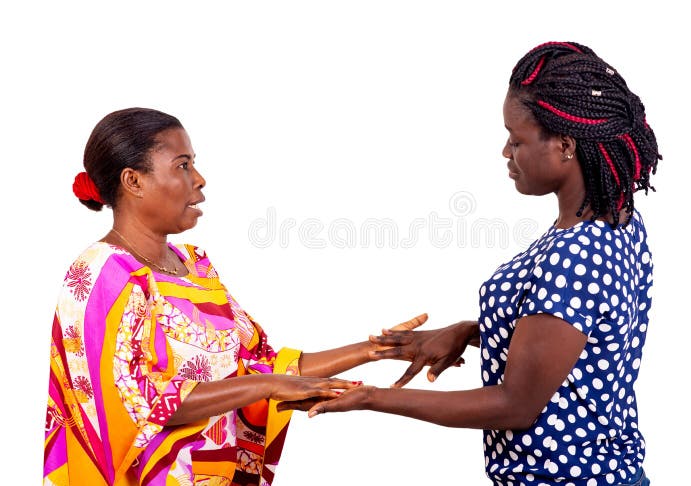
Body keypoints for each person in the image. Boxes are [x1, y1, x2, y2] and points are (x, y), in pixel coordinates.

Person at [301, 42, 661, 486]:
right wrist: (474, 331)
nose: (506, 153)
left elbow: (515, 405)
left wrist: (373, 399)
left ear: (565, 145)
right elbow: (579, 341)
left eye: (517, 139)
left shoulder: (575, 256)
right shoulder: (617, 223)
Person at [43, 108, 429, 486]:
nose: (200, 179)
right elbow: (136, 400)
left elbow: (262, 366)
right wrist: (268, 386)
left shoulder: (193, 266)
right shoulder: (100, 273)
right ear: (133, 180)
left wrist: (380, 349)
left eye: (194, 164)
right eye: (182, 165)